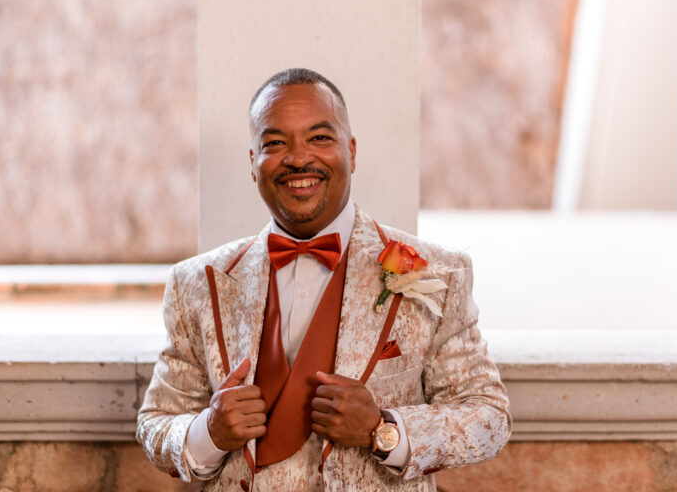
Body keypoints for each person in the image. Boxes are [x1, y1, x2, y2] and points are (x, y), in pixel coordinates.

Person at [137, 68, 511, 491]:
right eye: (275, 143)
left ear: (351, 151)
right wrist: (208, 433)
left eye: (319, 138)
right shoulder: (197, 283)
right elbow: (155, 424)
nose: (298, 158)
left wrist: (382, 430)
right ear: (252, 162)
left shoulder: (437, 272)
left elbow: (489, 418)